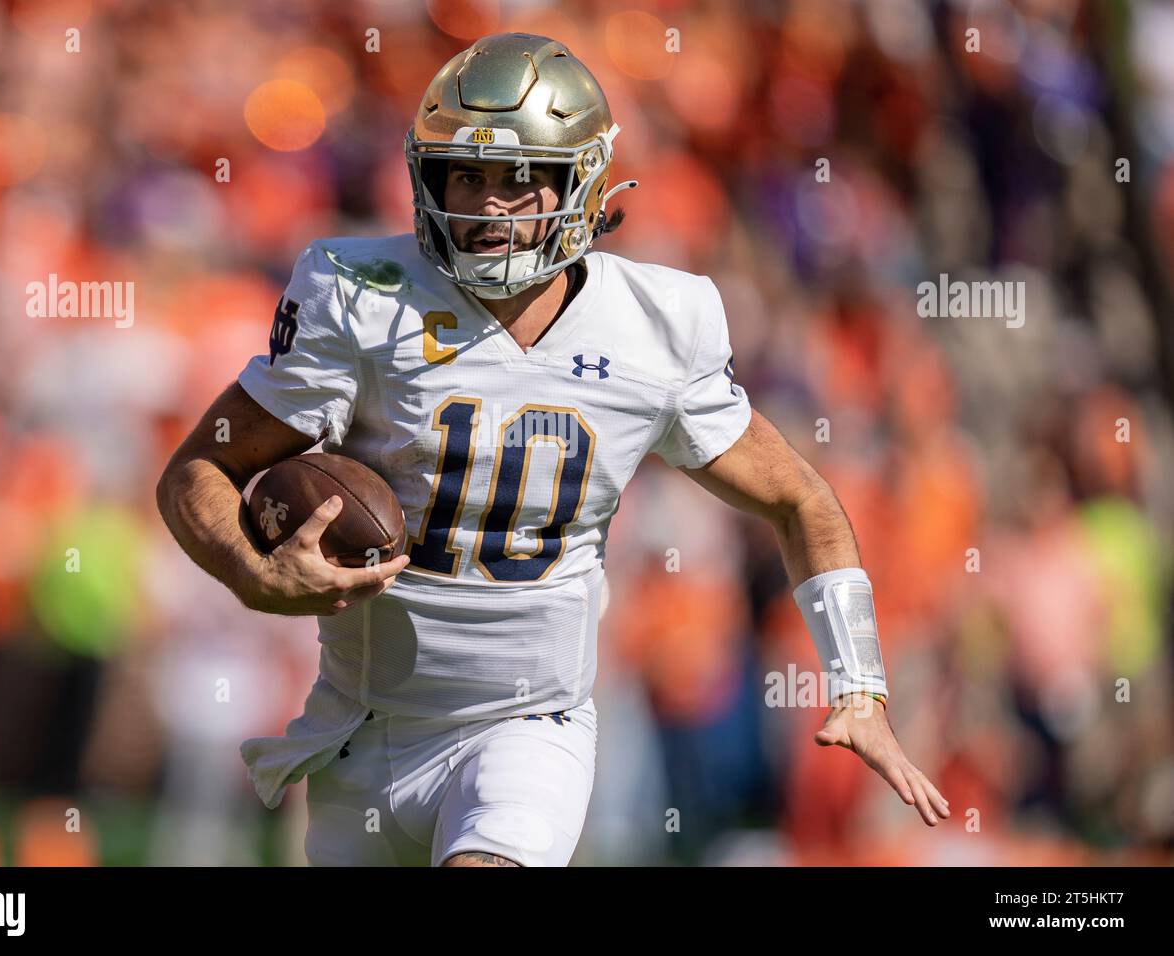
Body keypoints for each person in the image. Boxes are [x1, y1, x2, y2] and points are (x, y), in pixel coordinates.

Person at [155, 32, 949, 867]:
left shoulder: (654, 324)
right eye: (466, 174)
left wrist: (857, 682)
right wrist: (251, 567)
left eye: (519, 179)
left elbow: (800, 500)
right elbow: (198, 469)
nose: (487, 204)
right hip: (365, 729)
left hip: (528, 725)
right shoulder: (361, 297)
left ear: (585, 183)